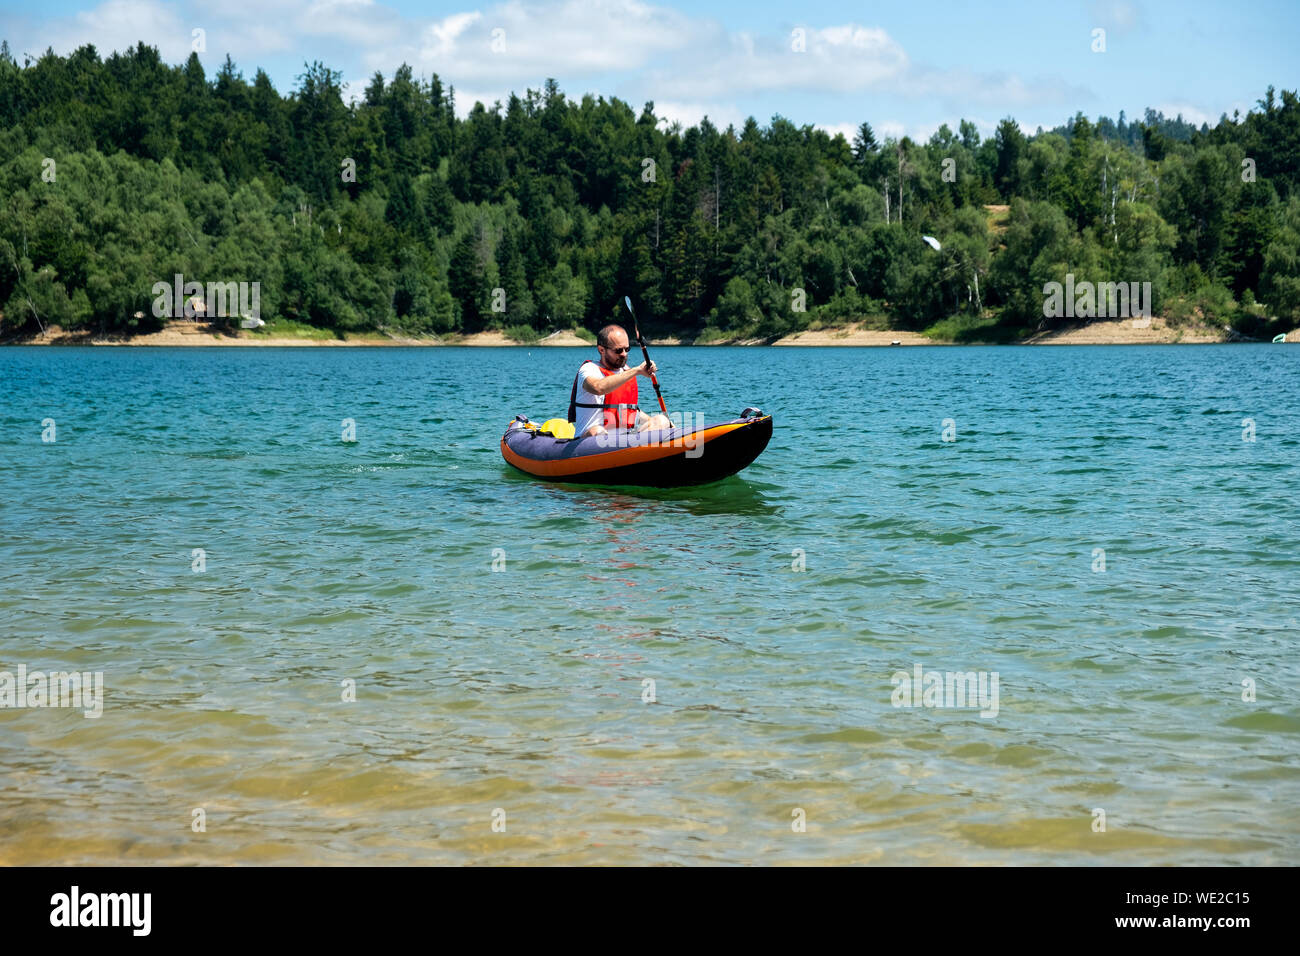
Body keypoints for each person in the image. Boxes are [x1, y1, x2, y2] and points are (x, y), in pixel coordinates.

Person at [568, 325, 672, 439]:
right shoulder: (589, 369)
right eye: (618, 350)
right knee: (598, 431)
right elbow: (598, 387)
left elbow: (629, 410)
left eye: (627, 349)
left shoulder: (626, 371)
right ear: (601, 350)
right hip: (590, 440)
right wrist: (637, 370)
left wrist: (662, 425)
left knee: (662, 420)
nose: (624, 354)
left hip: (623, 441)